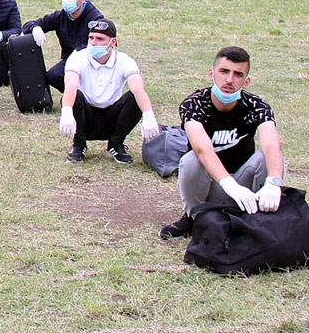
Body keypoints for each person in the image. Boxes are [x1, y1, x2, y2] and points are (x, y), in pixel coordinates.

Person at [159, 46, 287, 240]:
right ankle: (194, 218)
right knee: (191, 159)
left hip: (245, 183)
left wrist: (273, 183)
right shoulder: (194, 104)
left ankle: (257, 217)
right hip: (210, 184)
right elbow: (202, 148)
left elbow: (271, 144)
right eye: (224, 71)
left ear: (246, 81)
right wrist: (229, 185)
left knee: (270, 158)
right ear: (212, 74)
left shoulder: (256, 106)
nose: (229, 80)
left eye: (238, 74)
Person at [58, 18, 159, 164]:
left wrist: (148, 115)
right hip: (85, 116)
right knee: (75, 96)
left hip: (111, 116)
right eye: (91, 38)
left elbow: (137, 87)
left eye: (100, 39)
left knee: (134, 98)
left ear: (113, 42)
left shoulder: (124, 60)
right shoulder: (78, 57)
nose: (93, 43)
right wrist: (67, 111)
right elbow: (71, 85)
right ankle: (79, 145)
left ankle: (116, 144)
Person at [21, 0, 107, 92]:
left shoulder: (95, 18)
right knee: (53, 76)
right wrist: (35, 28)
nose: (66, 1)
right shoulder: (60, 16)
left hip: (91, 61)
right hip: (69, 60)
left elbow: (104, 44)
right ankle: (76, 96)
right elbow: (29, 24)